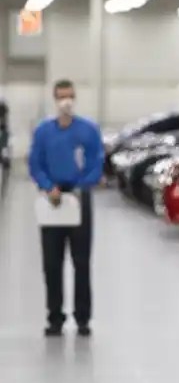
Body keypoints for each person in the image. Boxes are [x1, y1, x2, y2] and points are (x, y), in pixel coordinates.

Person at [28, 79, 103, 336]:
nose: (66, 102)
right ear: (55, 99)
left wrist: (83, 185)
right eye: (61, 97)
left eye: (70, 96)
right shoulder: (43, 132)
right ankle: (55, 316)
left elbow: (96, 162)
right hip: (52, 200)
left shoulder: (88, 130)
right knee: (52, 262)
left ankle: (83, 317)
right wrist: (49, 187)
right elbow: (35, 163)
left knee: (81, 261)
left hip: (79, 199)